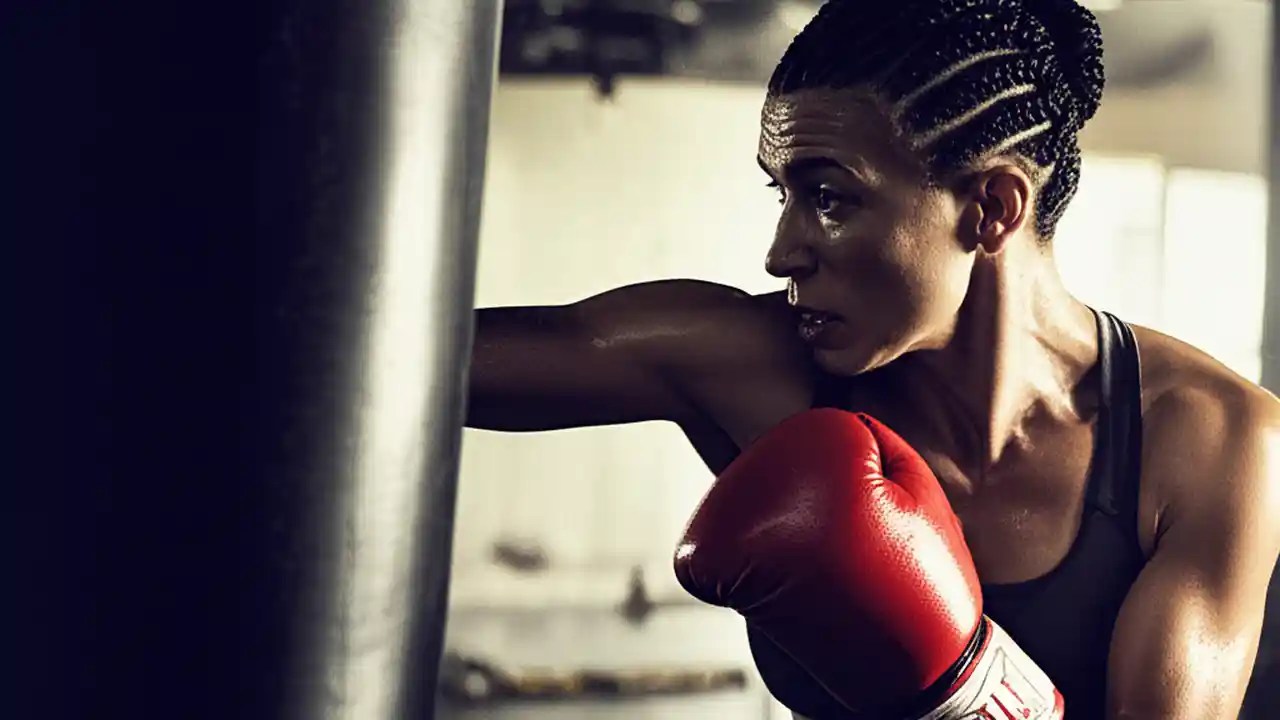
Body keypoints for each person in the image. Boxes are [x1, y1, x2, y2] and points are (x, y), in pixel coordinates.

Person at [465, 0, 1280, 717]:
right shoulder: (758, 368)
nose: (782, 253)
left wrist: (967, 694)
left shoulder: (1209, 438)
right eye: (780, 194)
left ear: (992, 208)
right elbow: (413, 368)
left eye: (830, 198)